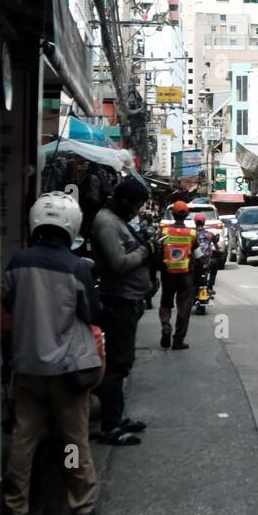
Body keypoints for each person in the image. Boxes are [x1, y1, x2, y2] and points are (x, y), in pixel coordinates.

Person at [2, 191, 102, 515]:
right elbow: (93, 313)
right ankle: (81, 501)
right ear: (72, 226)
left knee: (23, 437)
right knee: (74, 437)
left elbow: (7, 305)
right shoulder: (76, 267)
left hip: (27, 365)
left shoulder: (17, 262)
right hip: (68, 369)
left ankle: (16, 504)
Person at [90, 175, 152, 446]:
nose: (137, 210)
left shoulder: (117, 222)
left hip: (128, 300)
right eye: (136, 204)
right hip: (118, 301)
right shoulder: (106, 223)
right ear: (125, 200)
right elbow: (118, 263)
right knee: (116, 364)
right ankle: (109, 426)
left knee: (122, 363)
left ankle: (116, 416)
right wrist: (144, 252)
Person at [157, 201, 197, 350]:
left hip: (168, 273)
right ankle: (178, 341)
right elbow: (198, 255)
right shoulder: (192, 234)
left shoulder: (164, 232)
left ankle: (166, 326)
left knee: (166, 304)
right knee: (184, 308)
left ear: (172, 214)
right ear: (186, 215)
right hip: (186, 275)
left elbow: (158, 250)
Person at [193, 213, 218, 298]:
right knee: (215, 264)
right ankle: (210, 286)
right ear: (204, 223)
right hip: (207, 262)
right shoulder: (209, 234)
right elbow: (217, 245)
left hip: (194, 263)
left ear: (195, 223)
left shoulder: (191, 234)